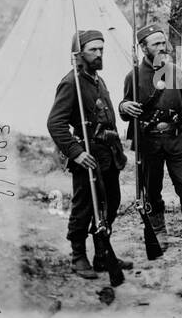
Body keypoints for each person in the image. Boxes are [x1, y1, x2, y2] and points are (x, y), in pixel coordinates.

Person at [118, 23, 182, 258]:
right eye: (157, 44)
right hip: (149, 142)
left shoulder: (174, 71)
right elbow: (124, 109)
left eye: (164, 43)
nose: (163, 47)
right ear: (144, 48)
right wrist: (124, 106)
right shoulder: (133, 75)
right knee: (151, 189)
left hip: (177, 139)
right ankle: (159, 232)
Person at [47, 30, 133, 279]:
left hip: (108, 156)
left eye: (101, 49)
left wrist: (118, 152)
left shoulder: (97, 79)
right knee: (84, 208)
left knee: (111, 204)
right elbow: (55, 123)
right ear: (79, 54)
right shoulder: (71, 82)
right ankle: (78, 256)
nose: (98, 54)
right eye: (93, 50)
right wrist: (75, 153)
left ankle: (102, 254)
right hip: (88, 157)